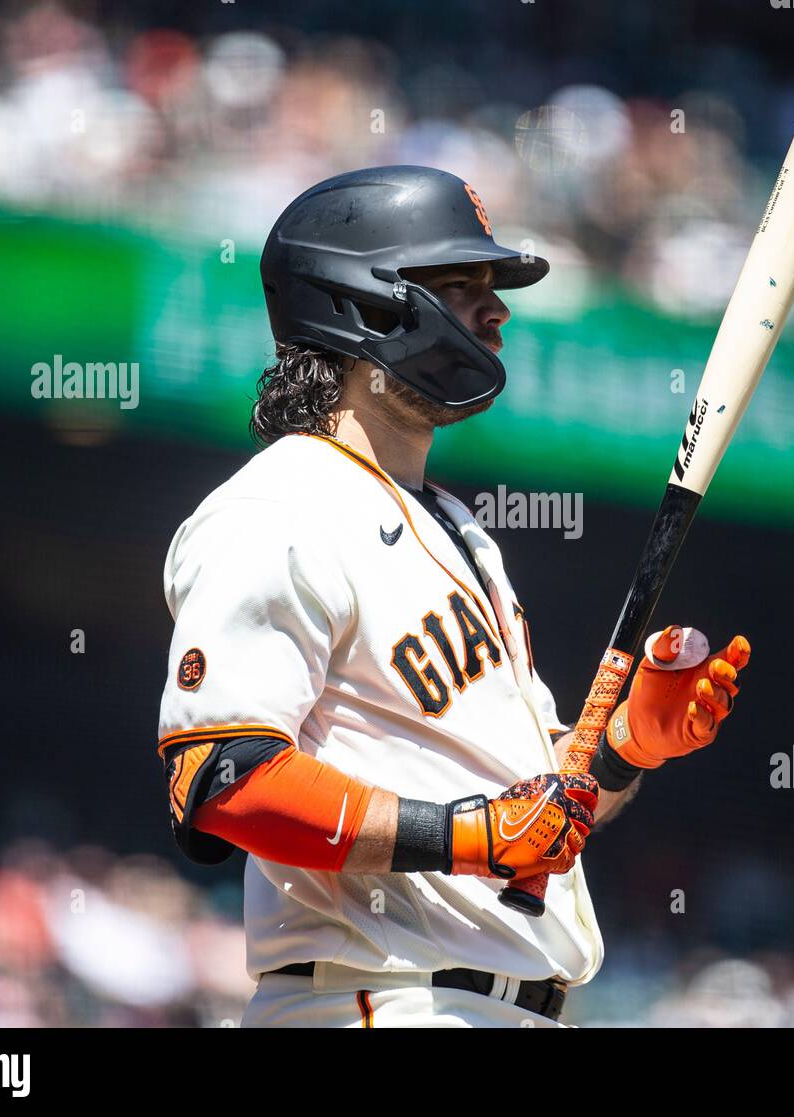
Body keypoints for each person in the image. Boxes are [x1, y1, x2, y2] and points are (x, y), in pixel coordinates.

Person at [156, 166, 750, 1027]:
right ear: (367, 301)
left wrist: (625, 745)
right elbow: (220, 778)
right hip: (377, 999)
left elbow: (534, 814)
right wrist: (467, 834)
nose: (497, 310)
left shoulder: (459, 528)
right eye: (462, 285)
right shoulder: (278, 506)